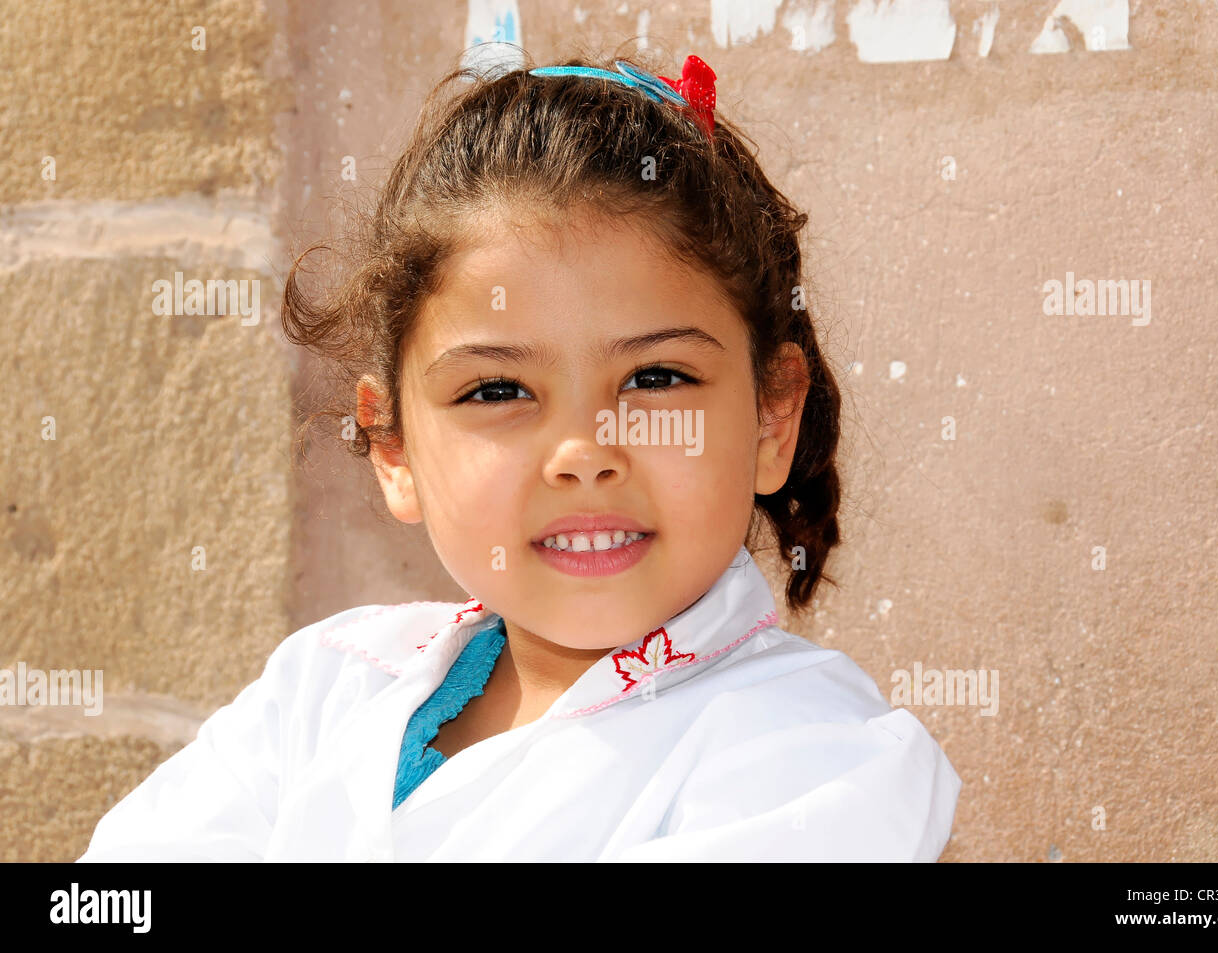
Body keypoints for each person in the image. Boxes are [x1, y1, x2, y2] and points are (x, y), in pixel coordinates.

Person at [78, 52, 961, 862]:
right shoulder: (324, 690)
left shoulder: (813, 758)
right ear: (394, 447)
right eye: (496, 391)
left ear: (772, 417)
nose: (583, 453)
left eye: (655, 376)